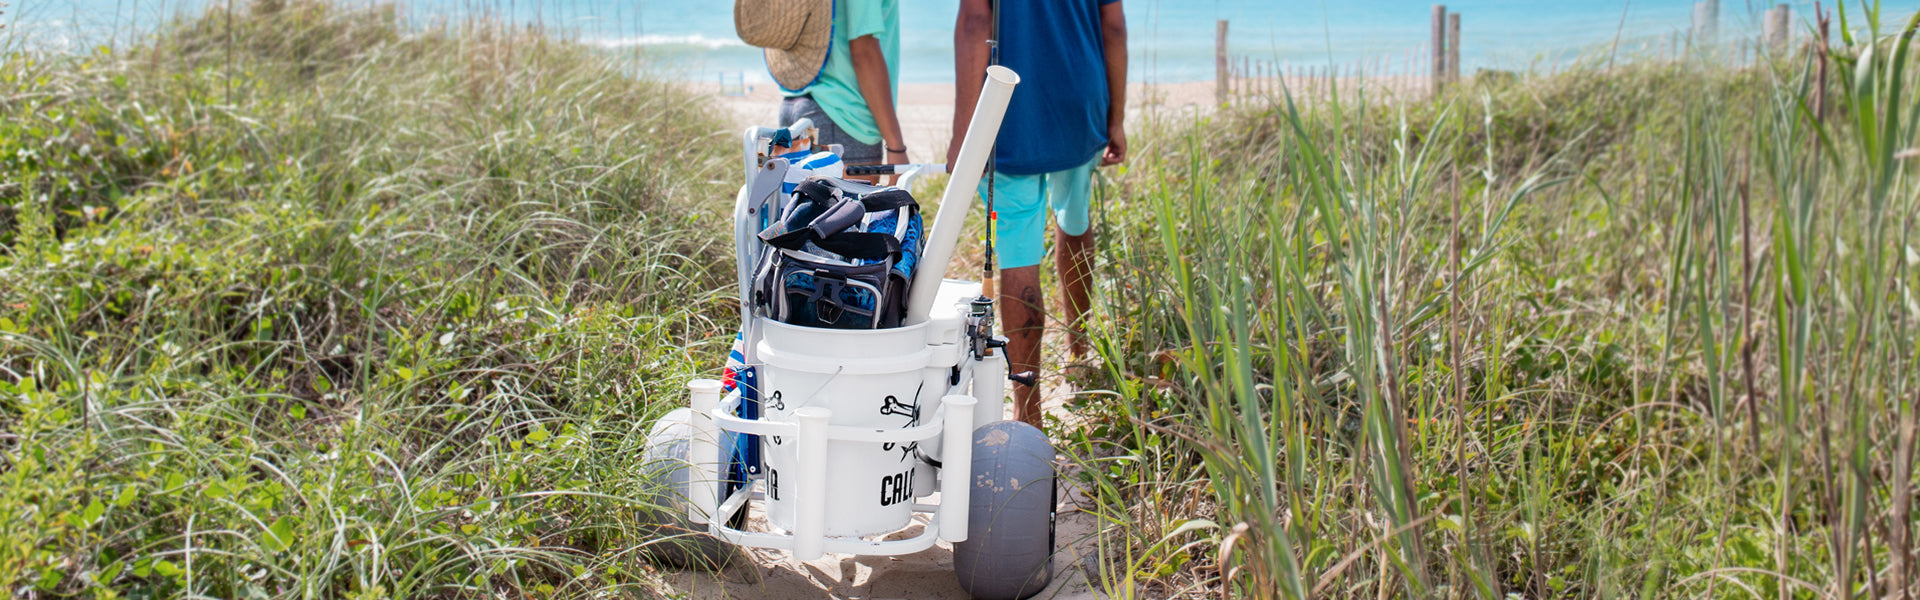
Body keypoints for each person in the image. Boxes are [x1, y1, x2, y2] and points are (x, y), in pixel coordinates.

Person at [951, 0, 1127, 430]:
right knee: (1075, 219)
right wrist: (1117, 119)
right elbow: (1114, 26)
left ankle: (1028, 413)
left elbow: (975, 21)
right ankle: (1078, 355)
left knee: (1017, 253)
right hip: (1081, 101)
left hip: (1010, 106)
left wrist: (963, 133)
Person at [735, 0, 908, 173]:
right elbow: (864, 53)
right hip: (845, 114)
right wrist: (896, 147)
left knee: (796, 191)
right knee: (847, 194)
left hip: (794, 103)